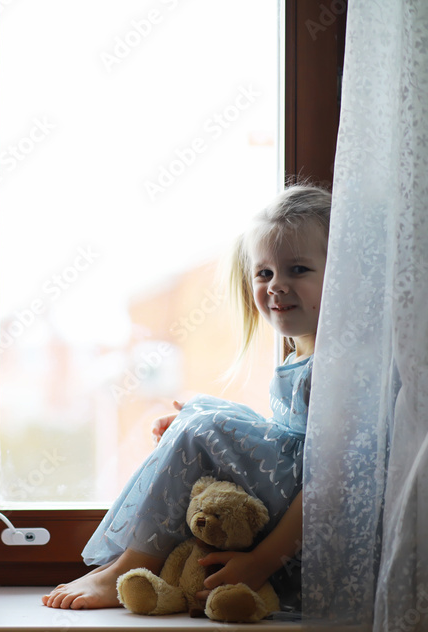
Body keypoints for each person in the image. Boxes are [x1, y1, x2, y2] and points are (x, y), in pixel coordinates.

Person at [43, 184, 330, 610]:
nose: (275, 286)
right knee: (200, 413)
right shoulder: (302, 349)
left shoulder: (338, 365)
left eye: (298, 270)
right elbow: (290, 440)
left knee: (205, 426)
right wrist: (200, 423)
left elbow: (327, 478)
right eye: (264, 273)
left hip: (307, 527)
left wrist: (262, 562)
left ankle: (125, 568)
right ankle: (150, 571)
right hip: (291, 498)